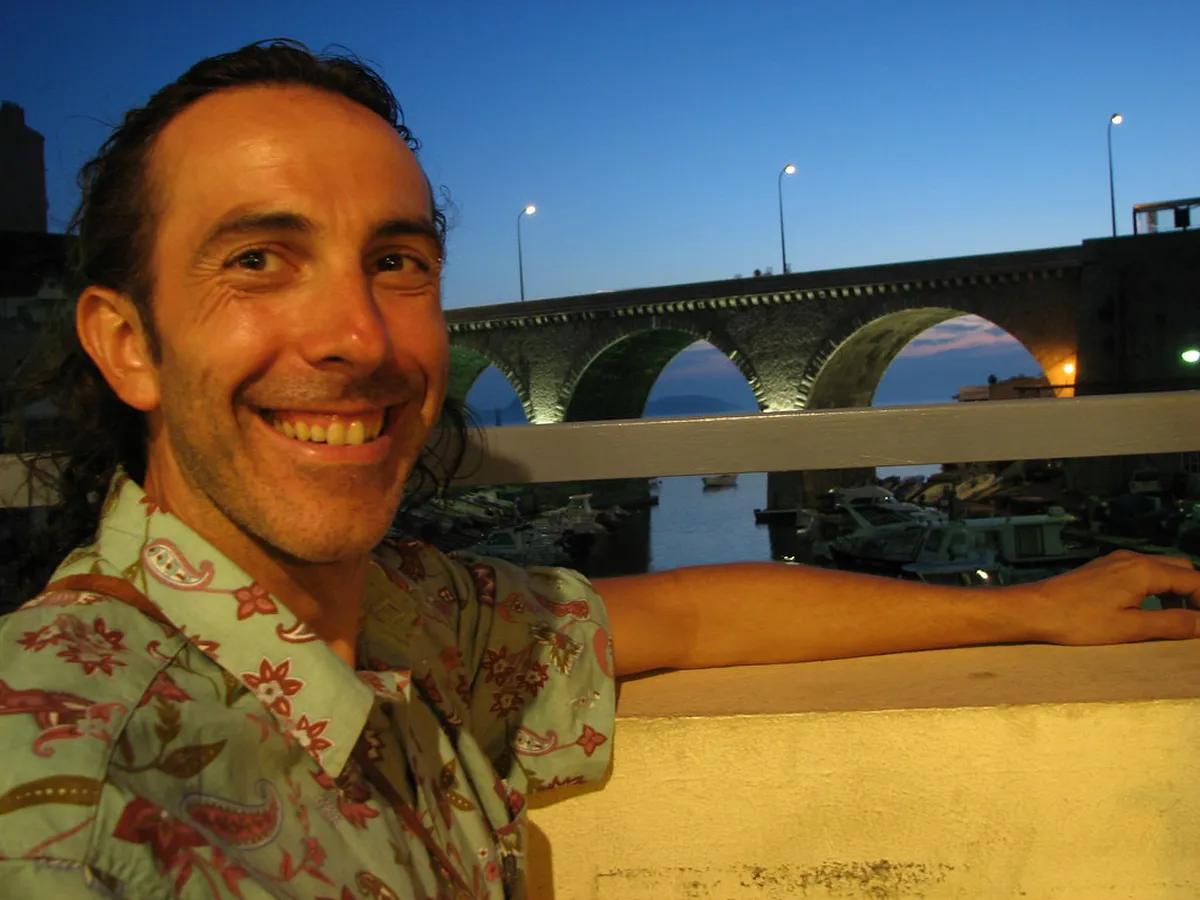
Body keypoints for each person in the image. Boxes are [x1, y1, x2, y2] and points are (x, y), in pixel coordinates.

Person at [0, 40, 1196, 899]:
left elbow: (678, 610)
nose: (357, 336)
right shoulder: (64, 782)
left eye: (399, 262)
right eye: (259, 258)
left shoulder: (414, 621)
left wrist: (1040, 607)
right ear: (125, 344)